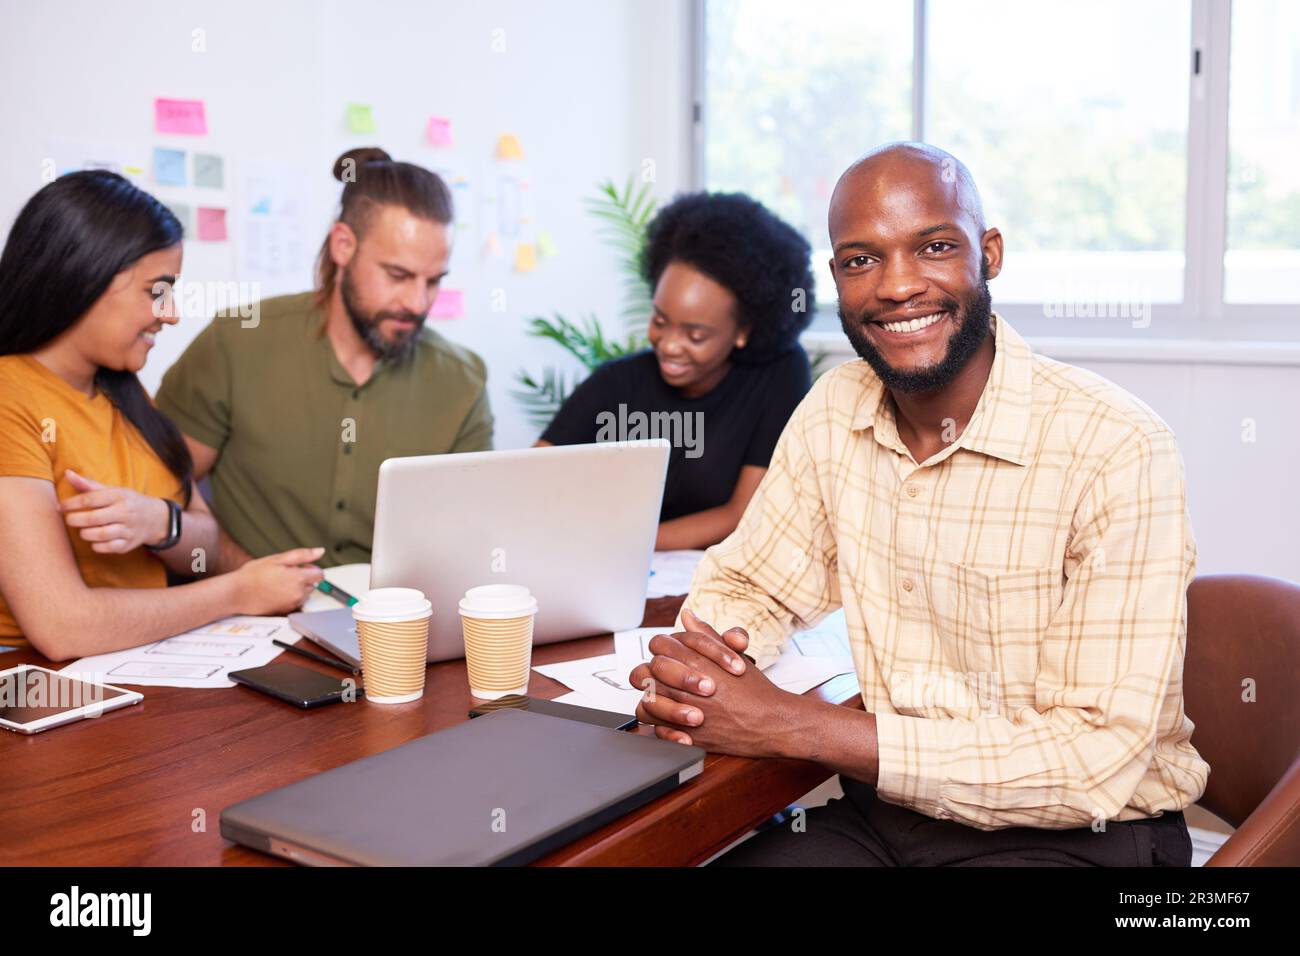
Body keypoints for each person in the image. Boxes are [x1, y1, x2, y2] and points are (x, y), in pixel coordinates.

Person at [631, 143, 1209, 867]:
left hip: (1080, 835)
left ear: (988, 255)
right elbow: (753, 581)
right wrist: (700, 678)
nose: (897, 286)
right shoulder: (836, 406)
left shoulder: (1117, 446)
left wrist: (791, 727)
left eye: (934, 247)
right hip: (888, 817)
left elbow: (1091, 762)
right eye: (860, 260)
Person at [0, 171, 324, 660]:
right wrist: (239, 592)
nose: (170, 313)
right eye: (157, 289)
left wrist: (160, 521)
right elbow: (63, 627)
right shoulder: (11, 399)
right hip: (42, 682)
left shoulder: (123, 392)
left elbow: (208, 542)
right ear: (82, 274)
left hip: (140, 663)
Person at [155, 147, 493, 568]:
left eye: (434, 282)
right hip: (249, 618)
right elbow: (160, 495)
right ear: (343, 245)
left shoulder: (463, 383)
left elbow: (470, 539)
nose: (417, 302)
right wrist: (246, 577)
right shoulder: (237, 341)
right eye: (398, 275)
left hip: (394, 623)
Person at [536, 192, 814, 550]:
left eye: (695, 335)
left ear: (744, 331)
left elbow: (743, 512)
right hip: (618, 568)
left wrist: (624, 544)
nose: (668, 345)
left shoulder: (780, 373)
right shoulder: (615, 382)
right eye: (659, 321)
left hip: (709, 575)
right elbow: (533, 479)